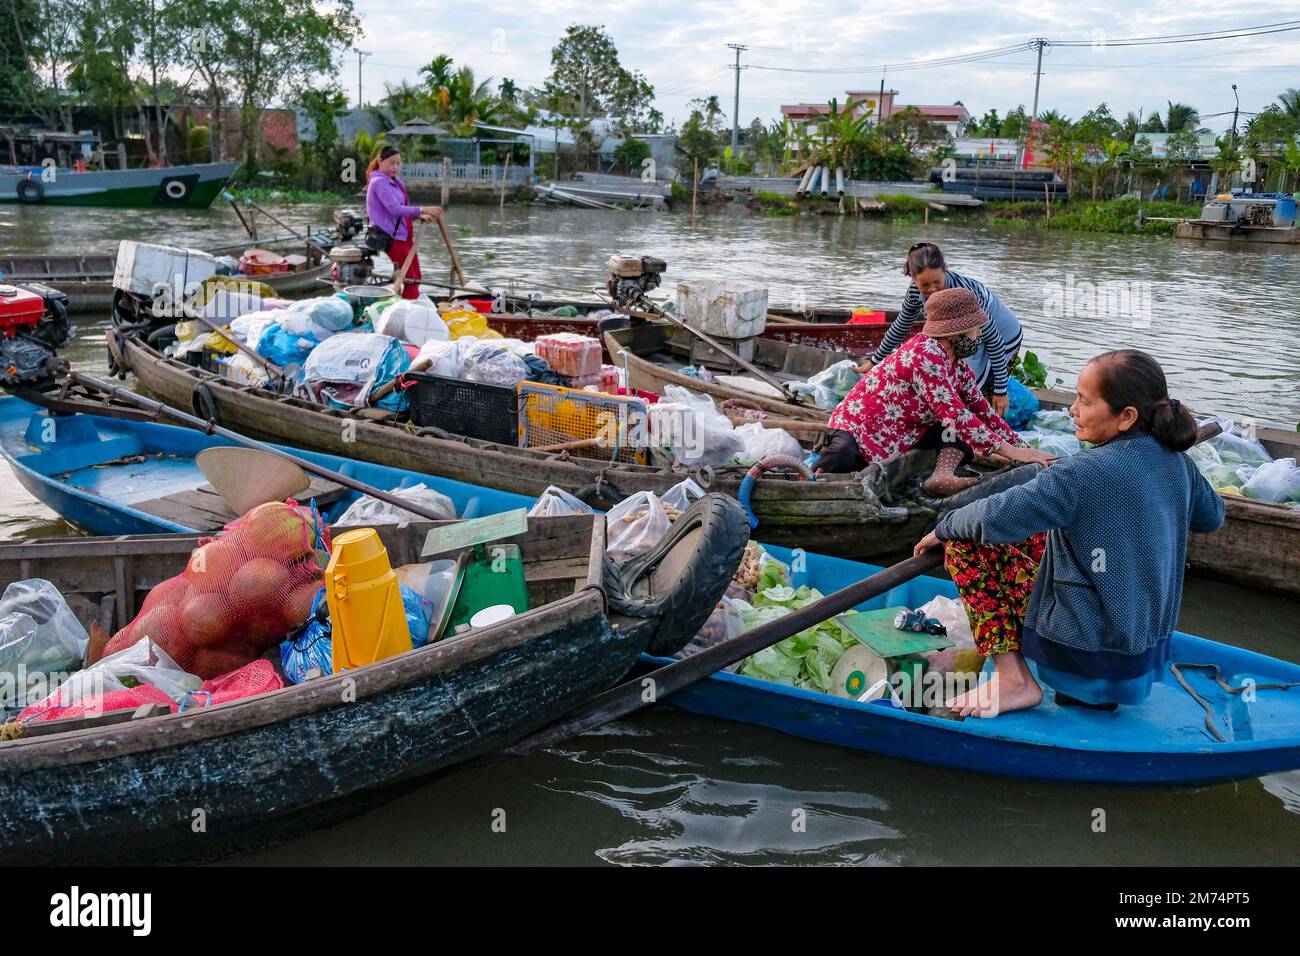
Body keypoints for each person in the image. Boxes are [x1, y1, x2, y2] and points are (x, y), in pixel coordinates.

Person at [913, 349, 1225, 718]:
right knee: (1039, 533)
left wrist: (944, 527)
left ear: (1126, 417)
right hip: (1141, 660)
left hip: (1081, 655)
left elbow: (992, 517)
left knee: (966, 545)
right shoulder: (1178, 463)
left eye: (1084, 401)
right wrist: (1174, 467)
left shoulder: (1079, 473)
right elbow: (1212, 517)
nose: (1072, 410)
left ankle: (1013, 680)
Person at [817, 287, 1052, 496]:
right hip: (859, 431)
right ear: (956, 332)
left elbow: (983, 412)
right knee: (842, 456)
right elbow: (957, 414)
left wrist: (1026, 450)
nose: (978, 335)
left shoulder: (956, 363)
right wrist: (1011, 452)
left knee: (957, 429)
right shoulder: (925, 354)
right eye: (975, 330)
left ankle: (942, 476)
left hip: (902, 433)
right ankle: (814, 477)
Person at [856, 242, 1023, 416]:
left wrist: (1001, 391)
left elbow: (994, 341)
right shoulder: (915, 292)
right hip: (966, 336)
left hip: (1001, 336)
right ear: (913, 279)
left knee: (971, 392)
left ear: (945, 270)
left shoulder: (962, 296)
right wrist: (875, 361)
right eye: (925, 285)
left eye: (937, 282)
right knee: (954, 386)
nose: (932, 289)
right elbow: (901, 325)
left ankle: (979, 425)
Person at [365, 145, 442, 300]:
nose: (396, 167)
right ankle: (408, 312)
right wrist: (422, 210)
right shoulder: (378, 182)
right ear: (380, 161)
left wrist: (417, 216)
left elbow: (403, 209)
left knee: (416, 276)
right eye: (392, 163)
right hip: (391, 237)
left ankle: (408, 308)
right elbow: (394, 210)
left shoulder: (396, 182)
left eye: (398, 164)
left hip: (403, 235)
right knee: (410, 279)